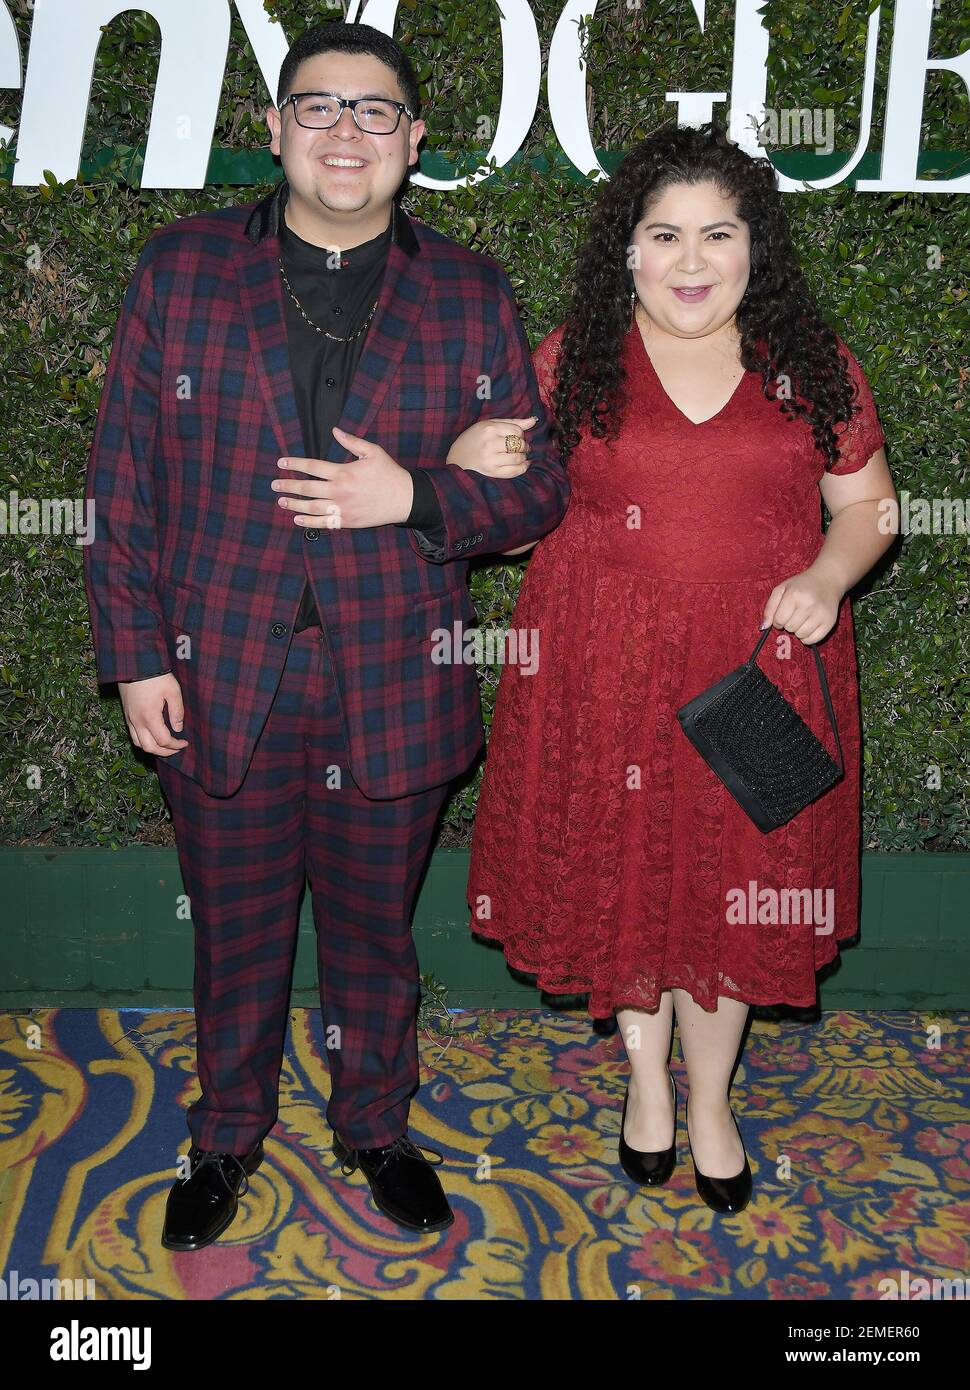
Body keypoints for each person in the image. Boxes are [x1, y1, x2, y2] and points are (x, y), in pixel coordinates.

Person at [83, 20, 568, 1250]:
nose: (343, 130)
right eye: (317, 106)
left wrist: (414, 493)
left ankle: (375, 1126)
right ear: (275, 130)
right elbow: (124, 475)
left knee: (372, 935)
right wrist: (133, 649)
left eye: (371, 111)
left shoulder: (467, 291)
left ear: (411, 144)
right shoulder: (180, 269)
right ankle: (227, 1133)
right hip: (215, 673)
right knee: (234, 932)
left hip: (395, 681)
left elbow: (533, 490)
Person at [462, 121, 897, 1213]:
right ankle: (644, 1088)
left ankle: (711, 1099)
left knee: (733, 897)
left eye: (718, 233)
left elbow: (870, 510)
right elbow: (512, 533)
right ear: (629, 249)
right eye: (665, 234)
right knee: (627, 882)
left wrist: (830, 578)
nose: (692, 260)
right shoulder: (569, 359)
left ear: (757, 249)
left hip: (758, 668)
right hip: (598, 669)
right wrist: (474, 467)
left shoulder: (811, 366)